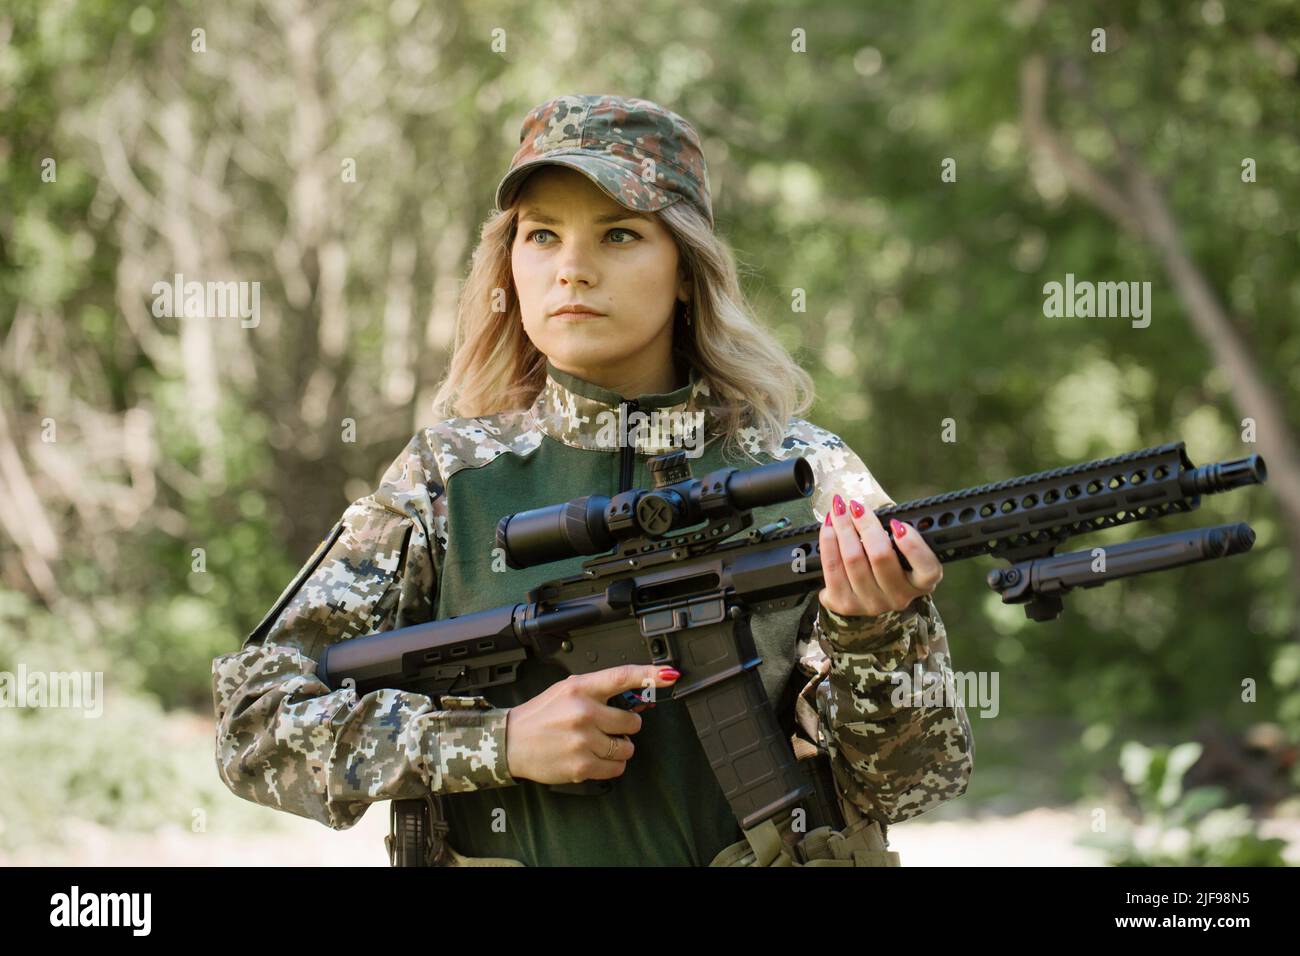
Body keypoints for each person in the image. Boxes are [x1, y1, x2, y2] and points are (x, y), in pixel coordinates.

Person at [212, 93, 974, 867]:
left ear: (686, 269)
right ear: (509, 262)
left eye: (619, 234)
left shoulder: (803, 470)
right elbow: (253, 725)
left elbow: (916, 781)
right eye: (542, 235)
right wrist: (498, 742)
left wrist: (877, 633)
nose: (573, 268)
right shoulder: (445, 480)